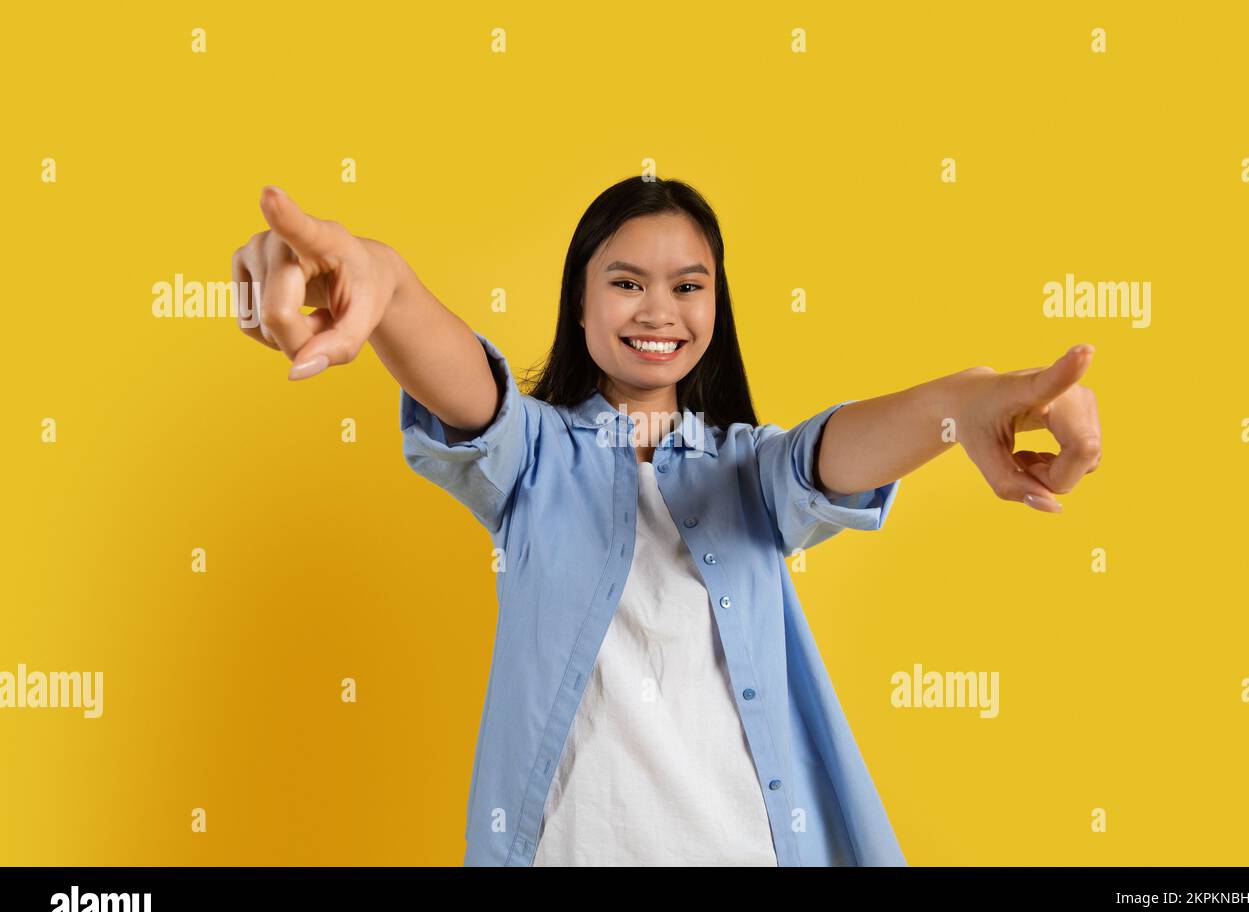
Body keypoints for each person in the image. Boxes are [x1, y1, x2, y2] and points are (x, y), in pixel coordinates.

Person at [230, 176, 1102, 866]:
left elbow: (831, 455)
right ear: (580, 304)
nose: (659, 310)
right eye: (626, 283)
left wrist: (965, 401)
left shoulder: (750, 472)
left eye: (689, 286)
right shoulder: (536, 461)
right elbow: (473, 392)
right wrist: (385, 284)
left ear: (714, 310)